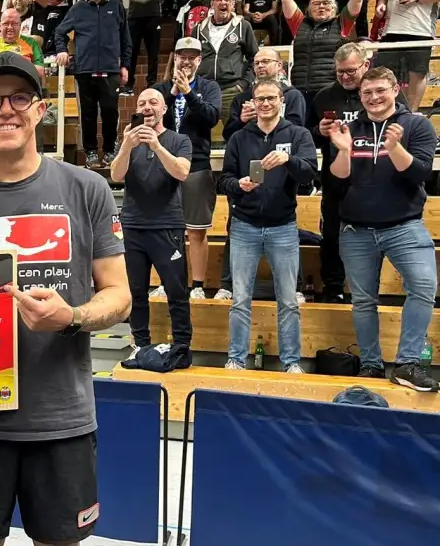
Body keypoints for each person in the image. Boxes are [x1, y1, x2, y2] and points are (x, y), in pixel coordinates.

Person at [0, 50, 131, 546]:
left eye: (19, 97)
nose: (6, 110)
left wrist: (73, 317)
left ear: (41, 110)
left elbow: (121, 295)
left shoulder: (87, 189)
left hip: (61, 420)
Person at [328, 67, 438, 391]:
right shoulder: (349, 129)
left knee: (423, 286)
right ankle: (371, 365)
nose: (374, 98)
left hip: (404, 226)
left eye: (380, 91)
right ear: (360, 96)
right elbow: (337, 178)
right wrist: (344, 151)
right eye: (367, 93)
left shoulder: (416, 125)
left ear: (394, 89)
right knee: (363, 301)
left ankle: (407, 364)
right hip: (356, 229)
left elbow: (419, 173)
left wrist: (395, 149)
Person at [219, 79, 317, 373]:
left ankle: (291, 362)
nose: (265, 104)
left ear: (281, 101)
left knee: (287, 300)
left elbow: (310, 173)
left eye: (271, 98)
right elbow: (223, 180)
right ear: (252, 102)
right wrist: (239, 185)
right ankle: (236, 359)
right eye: (259, 99)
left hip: (283, 226)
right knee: (240, 299)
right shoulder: (238, 138)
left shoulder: (298, 134)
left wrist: (288, 159)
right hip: (244, 226)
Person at [217, 48, 307, 302]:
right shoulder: (243, 98)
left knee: (287, 238)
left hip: (282, 203)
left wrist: (287, 157)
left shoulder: (293, 97)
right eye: (256, 63)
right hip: (245, 200)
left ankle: (296, 286)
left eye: (266, 61)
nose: (260, 66)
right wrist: (244, 120)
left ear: (280, 66)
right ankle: (227, 284)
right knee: (234, 227)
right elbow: (230, 134)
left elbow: (297, 128)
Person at [111, 88, 192, 351]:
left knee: (176, 291)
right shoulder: (128, 141)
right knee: (136, 291)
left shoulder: (180, 140)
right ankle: (140, 346)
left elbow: (181, 172)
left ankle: (181, 345)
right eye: (142, 103)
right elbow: (116, 175)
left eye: (153, 102)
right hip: (133, 226)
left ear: (164, 109)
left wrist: (156, 146)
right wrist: (126, 145)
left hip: (168, 226)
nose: (147, 107)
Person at [310, 43, 380, 303]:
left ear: (366, 65)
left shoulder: (377, 93)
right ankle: (333, 287)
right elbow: (306, 138)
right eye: (340, 72)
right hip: (335, 181)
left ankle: (370, 290)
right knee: (331, 236)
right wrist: (319, 130)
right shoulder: (324, 97)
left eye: (351, 71)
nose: (345, 77)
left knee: (372, 237)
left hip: (373, 180)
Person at [152, 37, 221, 300]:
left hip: (197, 166)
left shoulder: (209, 87)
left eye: (193, 57)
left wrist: (189, 94)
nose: (187, 61)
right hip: (164, 164)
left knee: (196, 230)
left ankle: (198, 286)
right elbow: (153, 117)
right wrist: (172, 94)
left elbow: (211, 118)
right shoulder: (161, 88)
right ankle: (165, 281)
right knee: (165, 229)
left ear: (200, 61)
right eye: (183, 56)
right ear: (175, 58)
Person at [54, 0, 132, 168]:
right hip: (84, 71)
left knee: (110, 112)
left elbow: (126, 39)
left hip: (111, 70)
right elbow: (59, 32)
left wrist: (125, 65)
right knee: (87, 114)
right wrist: (62, 50)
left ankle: (109, 150)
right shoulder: (78, 9)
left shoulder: (116, 6)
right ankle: (89, 152)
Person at [282, 0, 363, 109]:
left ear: (334, 7)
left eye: (326, 3)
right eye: (316, 3)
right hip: (301, 91)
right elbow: (286, 0)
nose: (321, 6)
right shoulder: (299, 23)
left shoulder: (341, 22)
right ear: (309, 8)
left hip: (331, 92)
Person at [372, 0, 440, 111]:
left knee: (416, 74)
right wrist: (381, 4)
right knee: (384, 74)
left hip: (419, 30)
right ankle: (388, 113)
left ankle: (411, 114)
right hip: (391, 30)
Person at [192, 0, 258, 123]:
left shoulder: (243, 26)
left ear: (233, 5)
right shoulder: (198, 29)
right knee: (199, 131)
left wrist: (244, 84)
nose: (223, 3)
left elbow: (255, 58)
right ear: (212, 4)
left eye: (228, 0)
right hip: (205, 90)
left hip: (231, 89)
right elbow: (191, 59)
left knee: (234, 132)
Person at [0, 8, 44, 78]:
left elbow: (40, 71)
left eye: (14, 24)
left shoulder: (31, 43)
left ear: (20, 25)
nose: (10, 27)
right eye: (6, 24)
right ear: (0, 26)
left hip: (21, 84)